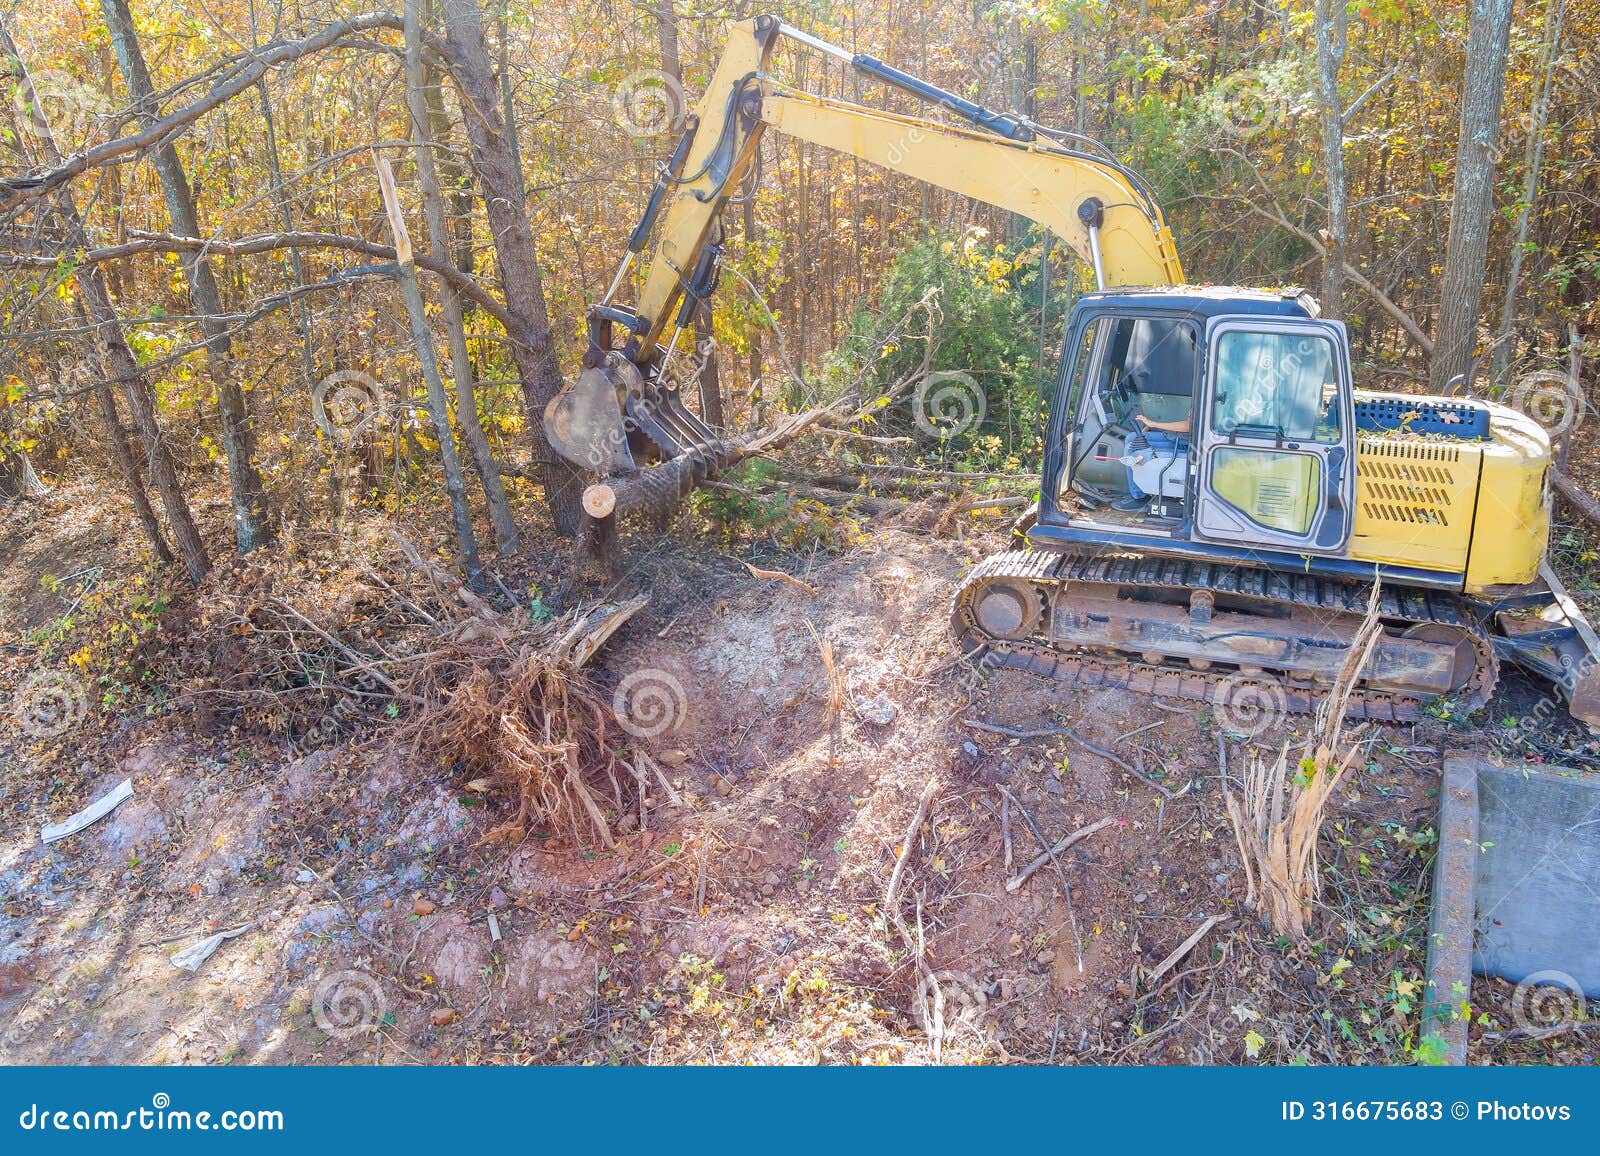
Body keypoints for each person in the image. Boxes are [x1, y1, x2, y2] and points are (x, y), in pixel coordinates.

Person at [1114, 411, 1191, 512]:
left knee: (1132, 450)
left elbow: (1189, 426)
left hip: (1187, 445)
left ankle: (1140, 497)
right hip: (1183, 438)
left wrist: (1153, 423)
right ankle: (1138, 491)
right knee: (1132, 438)